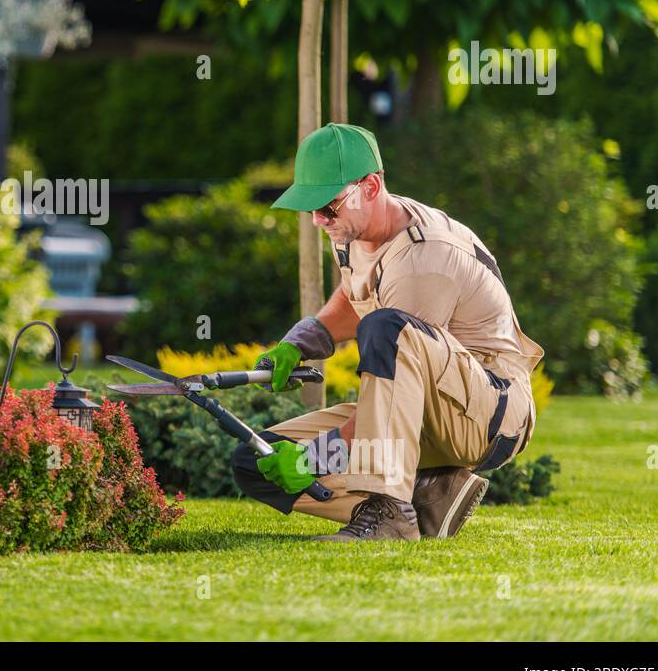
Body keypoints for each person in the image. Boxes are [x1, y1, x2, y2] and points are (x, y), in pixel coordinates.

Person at [232, 123, 544, 541]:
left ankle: (391, 514)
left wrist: (313, 458)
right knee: (256, 460)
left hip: (487, 417)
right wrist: (303, 340)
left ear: (372, 186)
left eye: (327, 206)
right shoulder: (353, 227)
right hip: (430, 407)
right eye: (310, 208)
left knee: (385, 330)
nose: (316, 220)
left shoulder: (424, 260)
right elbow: (354, 292)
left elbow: (394, 365)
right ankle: (422, 498)